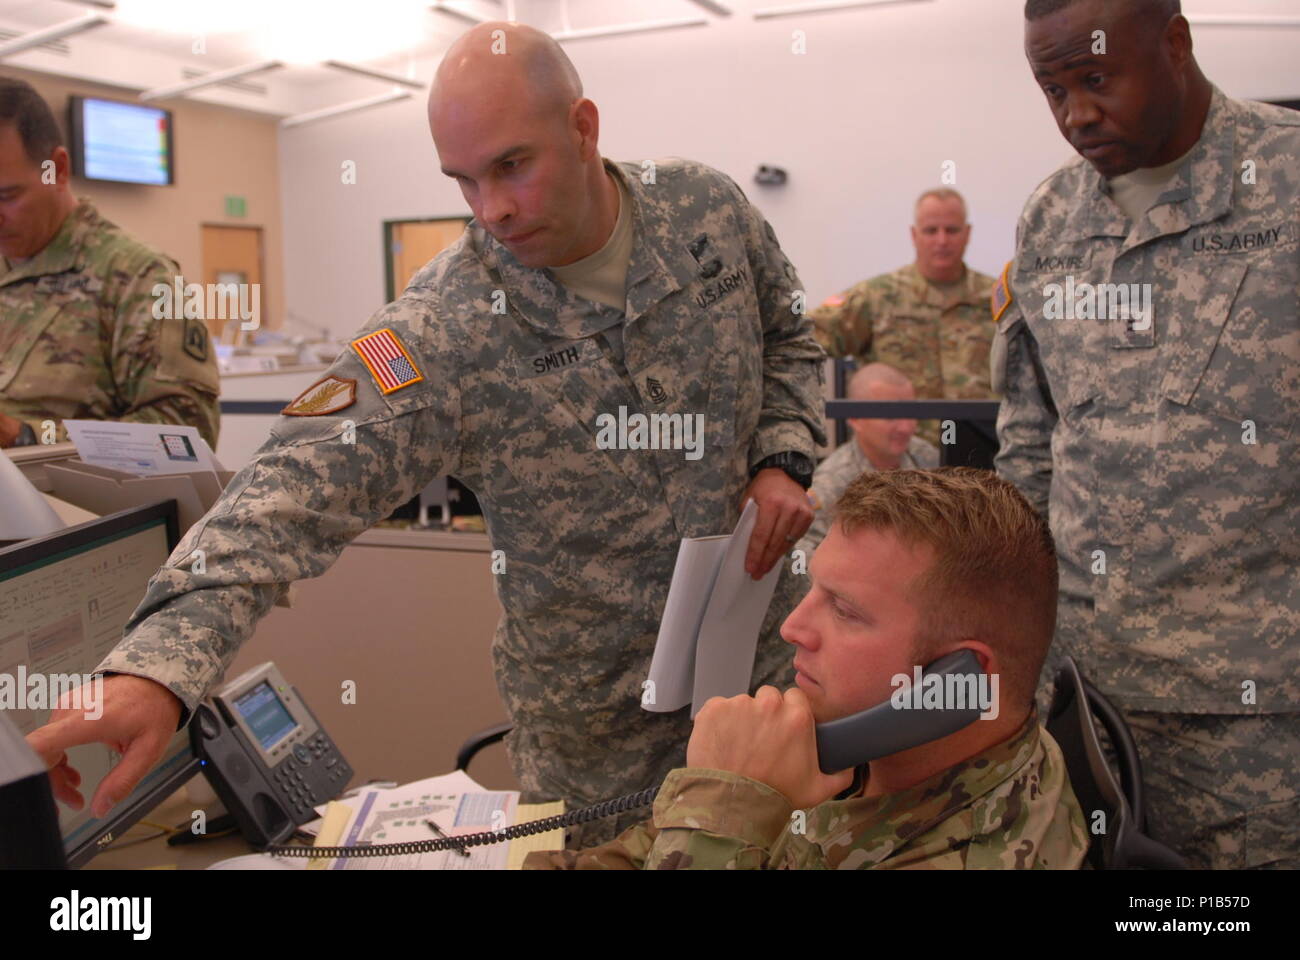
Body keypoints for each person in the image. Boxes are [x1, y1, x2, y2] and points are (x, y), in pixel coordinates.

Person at [25, 23, 826, 849]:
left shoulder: (706, 212)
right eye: (464, 180)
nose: (493, 209)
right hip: (603, 749)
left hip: (771, 678)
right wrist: (155, 667)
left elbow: (792, 337)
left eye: (514, 165)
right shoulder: (447, 327)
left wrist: (782, 458)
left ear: (583, 127)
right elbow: (282, 494)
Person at [997, 0, 1299, 868]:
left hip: (1258, 710)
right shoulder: (1051, 220)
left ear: (1175, 43)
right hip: (1088, 699)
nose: (1075, 114)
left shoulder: (1285, 178)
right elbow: (1029, 445)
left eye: (1096, 80)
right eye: (1051, 89)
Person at [524, 468, 1089, 869]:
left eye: (843, 610)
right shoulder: (865, 756)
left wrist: (729, 809)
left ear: (958, 679)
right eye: (813, 589)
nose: (792, 627)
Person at [0, 77, 220, 450]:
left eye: (6, 195)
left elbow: (188, 433)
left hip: (71, 507)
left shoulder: (138, 276)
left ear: (58, 169)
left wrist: (25, 436)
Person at [809, 188, 997, 446]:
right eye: (931, 231)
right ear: (914, 235)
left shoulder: (997, 298)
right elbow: (804, 338)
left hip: (981, 452)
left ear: (967, 234)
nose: (942, 240)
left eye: (951, 230)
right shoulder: (878, 297)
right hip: (900, 457)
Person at [795, 363, 937, 557]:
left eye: (910, 414)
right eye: (891, 417)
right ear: (855, 419)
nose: (905, 428)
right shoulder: (832, 482)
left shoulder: (926, 457)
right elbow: (804, 551)